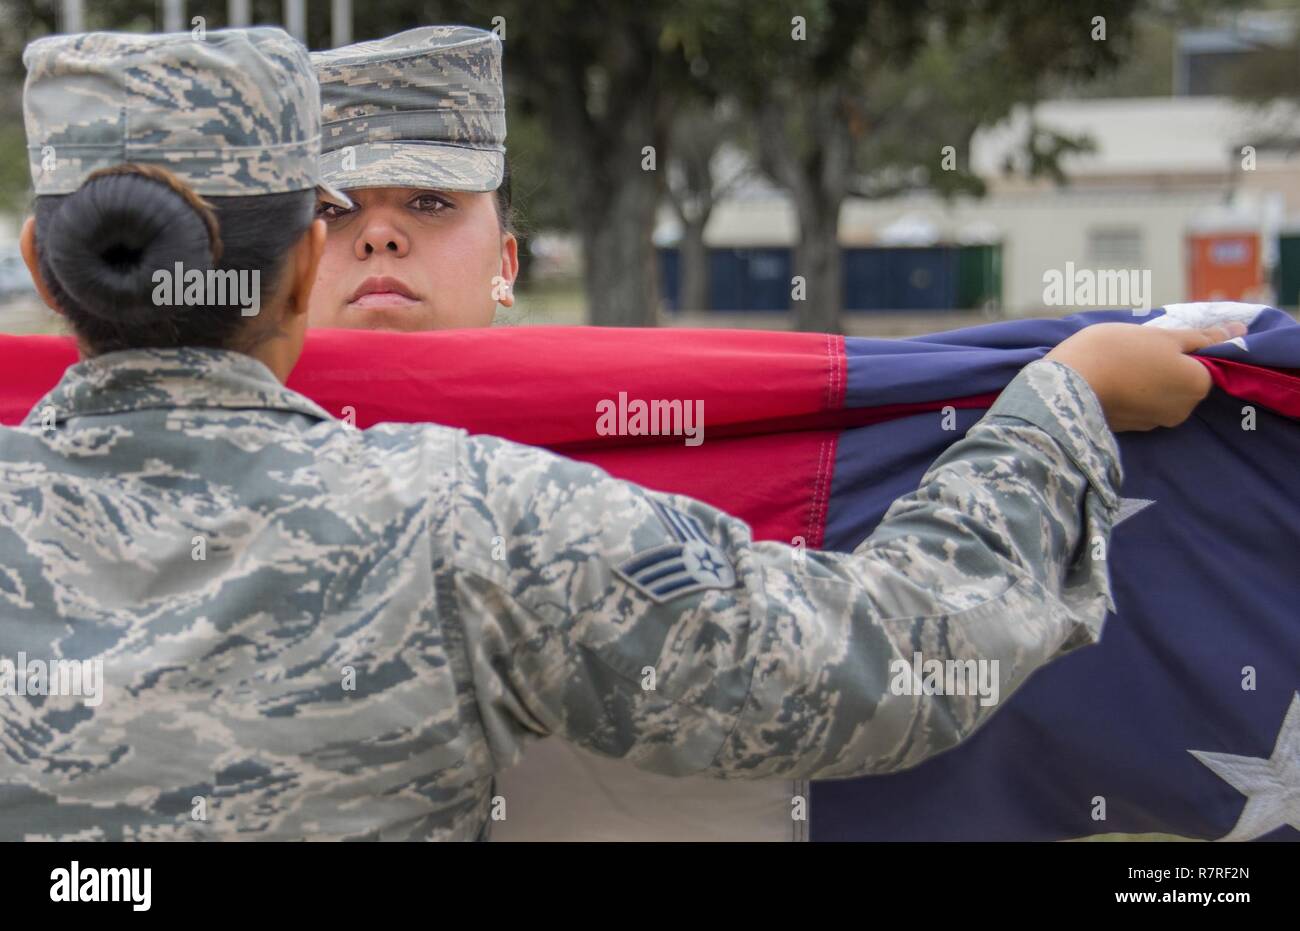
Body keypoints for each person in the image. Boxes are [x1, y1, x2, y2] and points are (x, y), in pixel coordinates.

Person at [0, 26, 1241, 842]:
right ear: (306, 253)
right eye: (351, 212)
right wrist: (1057, 415)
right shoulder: (472, 517)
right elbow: (885, 661)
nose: (384, 241)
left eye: (431, 206)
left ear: (38, 268)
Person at [308, 26, 517, 331]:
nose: (379, 235)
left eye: (429, 202)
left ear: (505, 264)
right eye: (331, 209)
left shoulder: (605, 380)